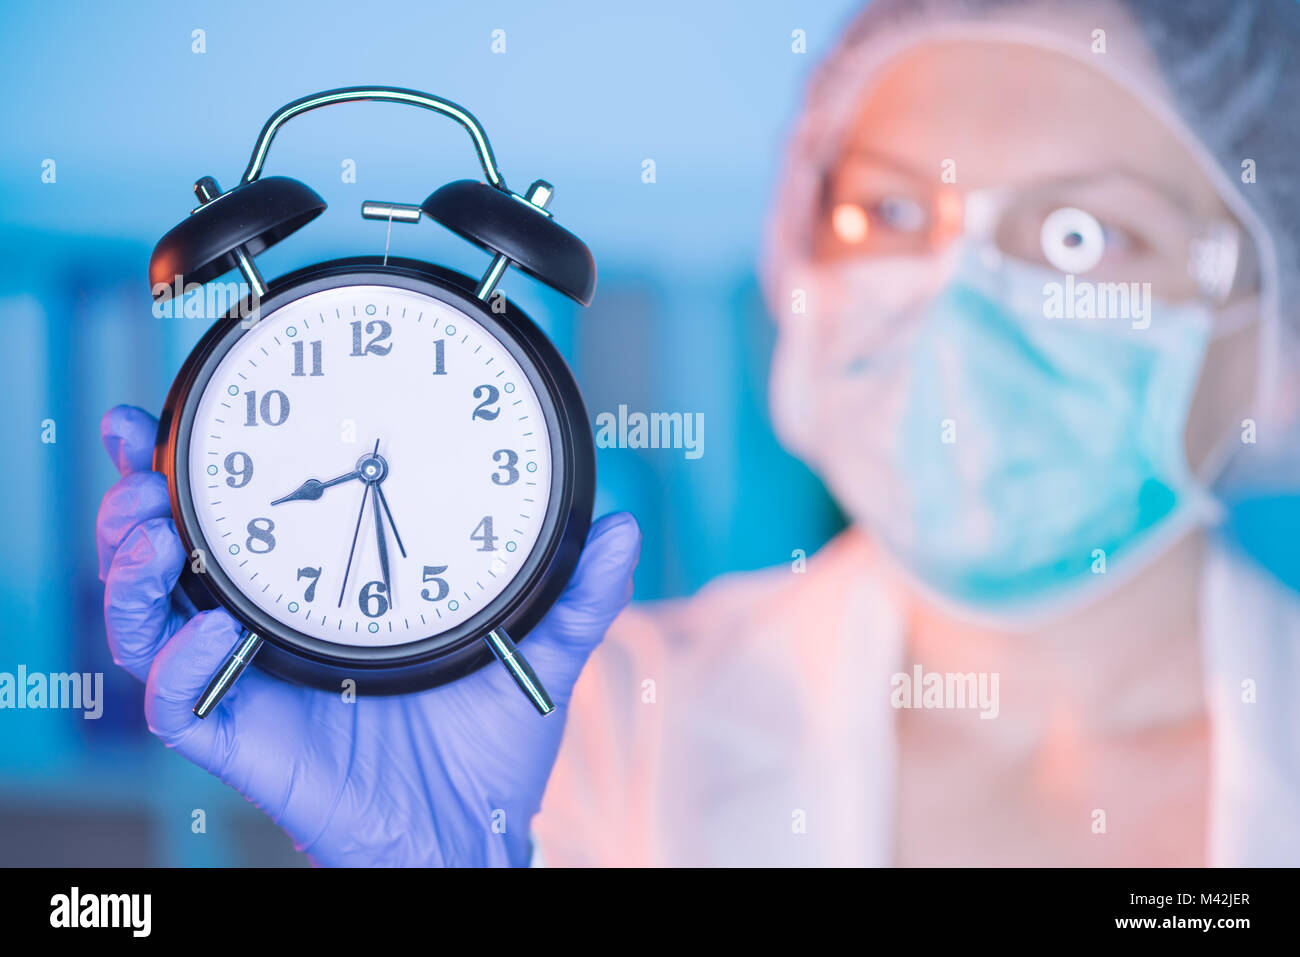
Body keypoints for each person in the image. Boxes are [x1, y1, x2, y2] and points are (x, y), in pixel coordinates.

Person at [98, 0, 1300, 867]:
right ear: (801, 258)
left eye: (1083, 236)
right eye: (888, 209)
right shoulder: (598, 731)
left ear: (1270, 316)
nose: (954, 292)